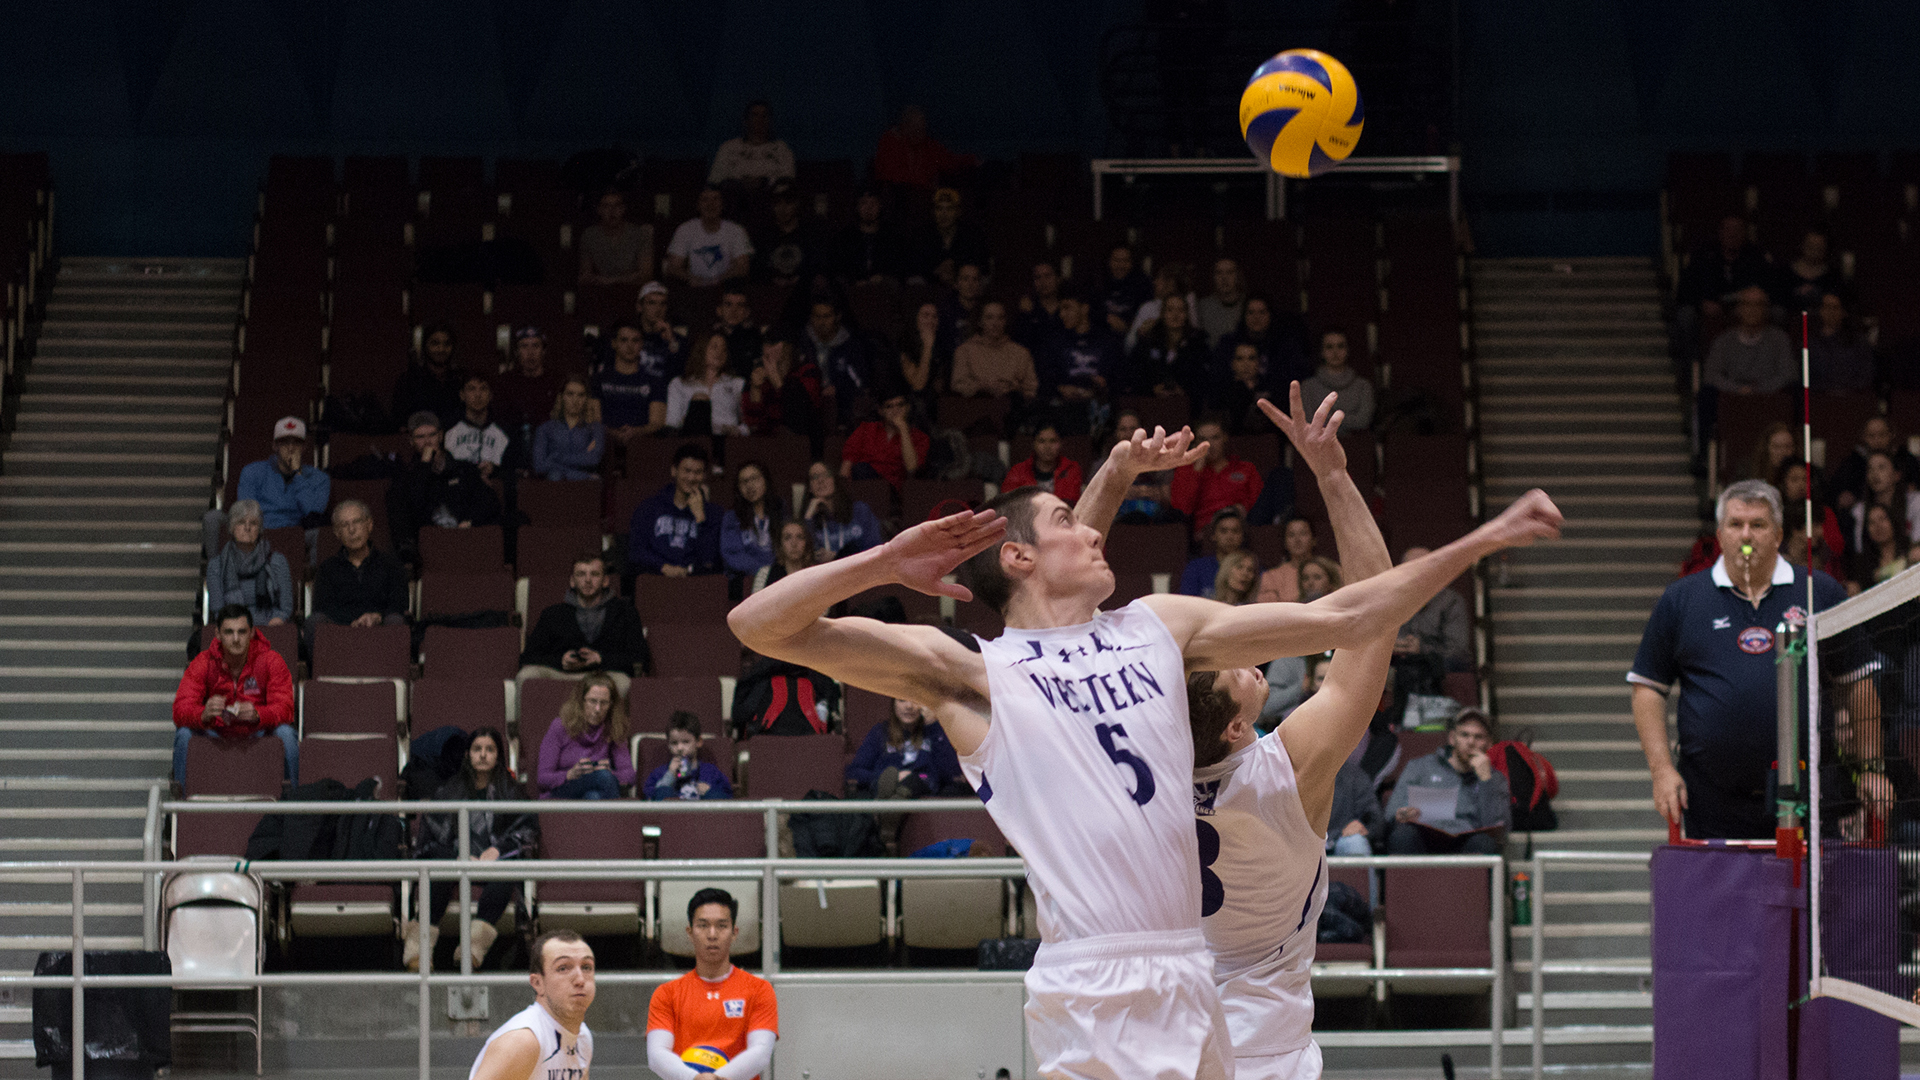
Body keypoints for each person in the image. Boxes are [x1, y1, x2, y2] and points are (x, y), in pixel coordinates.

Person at [726, 386, 1562, 1080]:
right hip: (1100, 975)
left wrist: (1483, 538)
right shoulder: (978, 674)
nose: (1094, 529)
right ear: (1018, 558)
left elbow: (1347, 617)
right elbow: (757, 625)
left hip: (1189, 970)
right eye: (1067, 520)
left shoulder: (1155, 626)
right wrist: (880, 563)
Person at [1180, 412, 1399, 1077]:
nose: (1251, 660)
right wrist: (1332, 475)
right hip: (1265, 1048)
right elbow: (1377, 611)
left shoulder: (1137, 780)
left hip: (1169, 1042)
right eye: (1236, 667)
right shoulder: (1289, 767)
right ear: (1234, 727)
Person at [1629, 479, 1865, 839]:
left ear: (1778, 535)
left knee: (1805, 879)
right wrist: (1661, 771)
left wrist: (1872, 767)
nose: (1746, 535)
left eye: (1758, 525)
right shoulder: (1681, 599)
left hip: (1810, 793)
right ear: (1720, 535)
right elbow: (1648, 687)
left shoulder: (1820, 592)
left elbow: (1857, 679)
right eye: (1736, 524)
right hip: (1710, 799)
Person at [406, 728, 538, 972]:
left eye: (490, 750)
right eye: (477, 749)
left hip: (493, 863)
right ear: (468, 754)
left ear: (498, 756)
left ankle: (472, 949)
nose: (483, 755)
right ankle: (418, 950)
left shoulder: (512, 792)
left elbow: (527, 830)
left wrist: (498, 850)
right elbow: (430, 838)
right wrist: (459, 855)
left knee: (508, 869)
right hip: (456, 859)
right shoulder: (449, 790)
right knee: (439, 865)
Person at [645, 889, 778, 1080]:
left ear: (734, 932)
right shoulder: (666, 993)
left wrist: (716, 1078)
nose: (712, 934)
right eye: (703, 925)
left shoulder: (759, 989)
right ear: (690, 933)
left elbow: (761, 1052)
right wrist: (694, 1078)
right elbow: (656, 1055)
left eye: (722, 926)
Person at [172, 604, 297, 788]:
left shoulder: (271, 661)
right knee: (184, 734)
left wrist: (258, 714)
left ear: (252, 633)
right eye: (229, 632)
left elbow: (285, 707)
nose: (236, 639)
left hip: (257, 733)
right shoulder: (203, 662)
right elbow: (180, 709)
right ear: (218, 634)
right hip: (215, 732)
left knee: (286, 734)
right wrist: (203, 714)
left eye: (242, 632)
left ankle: (293, 800)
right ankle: (181, 800)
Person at [465, 930, 595, 1080]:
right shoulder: (523, 1041)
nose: (580, 980)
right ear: (538, 983)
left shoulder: (583, 1037)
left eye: (586, 967)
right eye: (563, 968)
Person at [1383, 708, 1511, 854]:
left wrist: (1486, 782)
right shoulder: (1420, 767)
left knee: (1485, 842)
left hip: (1467, 843)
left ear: (1489, 743)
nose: (1471, 742)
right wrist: (1403, 814)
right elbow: (1391, 813)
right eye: (1464, 735)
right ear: (1452, 738)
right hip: (1424, 838)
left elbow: (1499, 828)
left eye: (1478, 737)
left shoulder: (1495, 779)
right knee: (1402, 836)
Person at [518, 554, 649, 691]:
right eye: (581, 574)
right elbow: (528, 657)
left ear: (605, 581)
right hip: (562, 674)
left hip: (605, 674)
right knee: (526, 675)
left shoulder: (625, 612)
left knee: (623, 681)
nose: (587, 580)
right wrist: (561, 660)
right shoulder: (552, 614)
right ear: (572, 581)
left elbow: (638, 657)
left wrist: (600, 659)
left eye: (594, 574)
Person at [387, 412, 503, 562]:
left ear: (441, 436)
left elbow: (490, 502)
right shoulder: (406, 478)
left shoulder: (463, 469)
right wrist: (425, 465)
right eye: (420, 437)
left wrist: (470, 521)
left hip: (467, 538)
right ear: (411, 441)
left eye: (432, 435)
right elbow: (413, 506)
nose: (427, 442)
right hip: (430, 544)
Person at [307, 500, 409, 643]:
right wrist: (353, 622)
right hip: (340, 634)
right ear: (337, 533)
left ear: (369, 525)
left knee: (396, 621)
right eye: (345, 525)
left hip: (380, 631)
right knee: (315, 621)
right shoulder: (327, 568)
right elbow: (323, 608)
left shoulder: (391, 565)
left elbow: (399, 604)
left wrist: (376, 617)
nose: (352, 530)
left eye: (357, 522)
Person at [223, 416, 328, 549]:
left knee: (320, 535)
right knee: (213, 518)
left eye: (296, 443)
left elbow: (313, 514)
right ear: (275, 446)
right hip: (260, 531)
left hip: (297, 533)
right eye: (284, 443)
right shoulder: (253, 471)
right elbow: (247, 510)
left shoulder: (319, 478)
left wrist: (298, 475)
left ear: (304, 447)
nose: (291, 448)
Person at [1674, 214, 1772, 356]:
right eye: (1728, 229)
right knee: (1685, 315)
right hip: (1707, 306)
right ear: (1720, 232)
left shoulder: (1755, 256)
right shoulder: (1703, 255)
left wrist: (1745, 304)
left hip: (1745, 306)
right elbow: (1684, 290)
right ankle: (1691, 363)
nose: (1733, 234)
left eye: (1737, 230)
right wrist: (1702, 303)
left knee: (1774, 313)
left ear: (1745, 233)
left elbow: (1766, 288)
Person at [629, 443, 723, 577]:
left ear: (704, 476)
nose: (691, 478)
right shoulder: (650, 508)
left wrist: (700, 519)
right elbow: (636, 551)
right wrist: (662, 566)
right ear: (674, 471)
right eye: (687, 471)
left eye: (698, 472)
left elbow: (709, 560)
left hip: (695, 582)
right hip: (656, 578)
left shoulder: (714, 514)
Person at [535, 674, 635, 799]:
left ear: (611, 705)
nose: (597, 709)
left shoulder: (614, 727)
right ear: (581, 701)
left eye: (604, 703)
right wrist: (570, 774)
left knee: (594, 796)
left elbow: (630, 776)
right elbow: (543, 779)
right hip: (563, 792)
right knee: (603, 777)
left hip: (597, 792)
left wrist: (612, 773)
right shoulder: (560, 726)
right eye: (592, 701)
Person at [1040, 289, 1124, 437]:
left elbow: (1116, 379)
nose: (1062, 314)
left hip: (1099, 407)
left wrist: (1098, 387)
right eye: (1061, 309)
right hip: (1065, 408)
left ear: (1084, 308)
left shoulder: (1106, 340)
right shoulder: (1055, 342)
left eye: (1067, 308)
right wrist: (1061, 388)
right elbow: (1047, 378)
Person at [846, 698, 964, 798]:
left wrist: (932, 725)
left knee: (915, 780)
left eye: (915, 701)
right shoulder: (880, 732)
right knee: (889, 779)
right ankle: (893, 804)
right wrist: (891, 777)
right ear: (893, 704)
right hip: (882, 785)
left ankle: (887, 812)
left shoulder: (935, 732)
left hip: (923, 784)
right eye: (902, 700)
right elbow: (854, 773)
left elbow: (954, 775)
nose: (909, 706)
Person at [590, 312, 673, 453]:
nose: (630, 346)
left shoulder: (655, 382)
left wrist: (635, 432)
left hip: (643, 449)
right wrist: (614, 434)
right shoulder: (598, 380)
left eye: (635, 340)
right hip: (603, 448)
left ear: (642, 344)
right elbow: (593, 419)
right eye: (624, 340)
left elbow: (657, 422)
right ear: (614, 343)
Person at [205, 500, 294, 630]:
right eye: (241, 522)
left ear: (260, 529)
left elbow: (285, 608)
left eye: (253, 523)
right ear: (232, 528)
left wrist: (275, 622)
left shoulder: (277, 561)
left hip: (270, 628)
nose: (247, 528)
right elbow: (219, 610)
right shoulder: (216, 566)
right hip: (233, 630)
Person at [1170, 418, 1263, 537]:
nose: (1209, 444)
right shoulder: (1185, 470)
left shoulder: (1245, 469)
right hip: (1206, 535)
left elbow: (1260, 508)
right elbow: (1182, 508)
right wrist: (1197, 470)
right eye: (1202, 439)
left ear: (1225, 438)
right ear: (1195, 442)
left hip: (1240, 531)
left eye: (1215, 437)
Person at [950, 300, 1040, 411]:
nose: (995, 323)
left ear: (1005, 321)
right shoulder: (965, 351)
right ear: (980, 322)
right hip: (974, 410)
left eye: (1000, 318)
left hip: (1012, 411)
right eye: (989, 318)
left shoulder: (1021, 353)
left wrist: (1012, 389)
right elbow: (958, 385)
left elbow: (1031, 389)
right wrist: (982, 386)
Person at [1702, 286, 1794, 395]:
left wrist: (1758, 390)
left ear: (1766, 309)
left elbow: (1788, 375)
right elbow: (1711, 375)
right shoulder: (1724, 341)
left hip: (1770, 399)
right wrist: (1738, 389)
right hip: (1732, 399)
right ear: (1738, 309)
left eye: (1758, 304)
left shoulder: (1780, 340)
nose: (1752, 310)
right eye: (1747, 304)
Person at [1394, 547, 1472, 671]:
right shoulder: (1393, 601)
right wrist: (1388, 648)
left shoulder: (1450, 601)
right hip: (1397, 672)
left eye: (1422, 568)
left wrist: (1422, 648)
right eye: (1410, 569)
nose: (1417, 574)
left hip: (1436, 675)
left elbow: (1458, 652)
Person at [1213, 295, 1309, 395]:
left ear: (1270, 315)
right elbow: (1219, 377)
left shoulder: (1284, 345)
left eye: (1262, 312)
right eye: (1251, 312)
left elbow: (1293, 377)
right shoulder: (1229, 344)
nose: (1256, 317)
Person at [803, 298, 874, 429]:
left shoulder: (851, 345)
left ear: (837, 316)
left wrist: (838, 388)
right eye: (817, 316)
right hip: (807, 406)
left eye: (827, 316)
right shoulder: (803, 343)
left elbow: (860, 382)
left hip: (841, 408)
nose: (822, 322)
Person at [1125, 294, 1210, 399]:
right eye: (1170, 310)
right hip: (1151, 402)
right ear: (1162, 313)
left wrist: (1185, 390)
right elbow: (1134, 374)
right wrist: (1152, 389)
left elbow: (1202, 378)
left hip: (1186, 403)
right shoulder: (1149, 341)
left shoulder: (1198, 343)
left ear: (1187, 314)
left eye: (1181, 310)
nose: (1175, 315)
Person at [873, 104, 976, 191]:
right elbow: (891, 177)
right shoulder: (889, 142)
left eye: (921, 128)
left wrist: (973, 160)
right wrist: (924, 185)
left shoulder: (930, 146)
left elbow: (950, 160)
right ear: (904, 126)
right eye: (914, 127)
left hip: (923, 198)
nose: (917, 132)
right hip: (896, 197)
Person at [741, 333, 824, 442]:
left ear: (788, 348)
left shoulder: (807, 372)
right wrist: (755, 389)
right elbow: (754, 425)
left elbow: (802, 418)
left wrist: (778, 383)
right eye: (766, 344)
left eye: (774, 344)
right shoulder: (762, 378)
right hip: (767, 443)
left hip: (802, 442)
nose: (768, 350)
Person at [839, 391, 929, 491]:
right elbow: (846, 465)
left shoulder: (920, 437)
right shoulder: (865, 429)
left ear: (908, 408)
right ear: (881, 411)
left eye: (900, 405)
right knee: (861, 468)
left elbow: (912, 469)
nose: (895, 410)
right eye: (889, 406)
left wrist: (903, 428)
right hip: (862, 487)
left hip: (895, 491)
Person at [664, 187, 753, 287]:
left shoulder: (736, 231)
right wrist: (691, 279)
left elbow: (742, 267)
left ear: (722, 204)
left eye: (715, 199)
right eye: (705, 200)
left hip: (726, 287)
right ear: (698, 205)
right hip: (694, 288)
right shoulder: (685, 229)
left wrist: (718, 280)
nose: (711, 204)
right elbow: (673, 266)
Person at [1828, 416, 1920, 513]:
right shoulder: (1852, 463)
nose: (1877, 440)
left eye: (1882, 435)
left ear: (1891, 435)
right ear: (1863, 437)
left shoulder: (1906, 459)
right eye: (1871, 436)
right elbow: (1833, 493)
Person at [667, 334, 749, 436]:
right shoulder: (680, 384)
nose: (719, 352)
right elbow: (672, 423)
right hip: (692, 437)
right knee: (699, 398)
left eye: (724, 349)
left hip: (727, 438)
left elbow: (748, 423)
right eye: (714, 347)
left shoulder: (737, 383)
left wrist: (737, 430)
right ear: (702, 350)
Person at [907, 187, 989, 288]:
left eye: (949, 209)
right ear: (933, 211)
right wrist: (936, 270)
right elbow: (914, 264)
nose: (944, 214)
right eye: (939, 208)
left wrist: (955, 267)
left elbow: (982, 263)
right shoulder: (923, 234)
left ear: (958, 211)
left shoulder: (970, 234)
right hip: (931, 283)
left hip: (963, 283)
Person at [392, 324, 468, 432]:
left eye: (447, 344)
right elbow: (400, 422)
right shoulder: (409, 380)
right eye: (435, 343)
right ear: (425, 346)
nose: (441, 349)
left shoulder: (461, 380)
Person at [802, 462, 884, 559]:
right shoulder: (811, 519)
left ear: (835, 480)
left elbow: (874, 549)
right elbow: (804, 555)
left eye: (826, 475)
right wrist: (808, 519)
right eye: (814, 477)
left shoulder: (860, 511)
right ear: (810, 488)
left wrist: (836, 557)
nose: (820, 480)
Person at [495, 327, 565, 440]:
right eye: (524, 346)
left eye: (535, 346)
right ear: (517, 352)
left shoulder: (556, 382)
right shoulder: (506, 383)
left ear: (543, 351)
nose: (530, 352)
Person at [531, 376, 606, 481]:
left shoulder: (595, 428)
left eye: (581, 395)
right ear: (562, 397)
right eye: (570, 394)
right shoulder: (545, 429)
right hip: (560, 484)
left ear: (586, 399)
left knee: (556, 474)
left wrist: (556, 457)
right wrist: (580, 475)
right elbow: (539, 466)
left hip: (585, 487)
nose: (575, 400)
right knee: (555, 476)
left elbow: (593, 459)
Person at [646, 712, 734, 800]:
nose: (680, 748)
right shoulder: (660, 773)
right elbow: (649, 798)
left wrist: (709, 791)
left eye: (685, 742)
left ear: (698, 742)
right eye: (674, 743)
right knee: (662, 791)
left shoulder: (711, 772)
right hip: (672, 809)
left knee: (715, 795)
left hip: (702, 809)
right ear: (668, 745)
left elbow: (727, 798)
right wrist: (670, 775)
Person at [1299, 328, 1375, 430]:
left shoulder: (1363, 386)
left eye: (1340, 346)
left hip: (1354, 439)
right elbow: (1309, 421)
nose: (1335, 352)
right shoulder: (1308, 387)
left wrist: (1327, 418)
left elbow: (1363, 421)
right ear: (1321, 351)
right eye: (1329, 347)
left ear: (1348, 350)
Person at [709, 100, 795, 188]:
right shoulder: (728, 148)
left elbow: (787, 180)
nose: (760, 119)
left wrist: (763, 184)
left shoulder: (781, 149)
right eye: (755, 115)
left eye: (764, 116)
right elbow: (715, 180)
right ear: (746, 120)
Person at [446, 374, 516, 480]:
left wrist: (494, 469)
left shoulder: (504, 430)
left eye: (483, 389)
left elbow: (511, 468)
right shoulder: (449, 429)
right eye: (471, 389)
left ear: (490, 395)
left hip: (494, 485)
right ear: (462, 395)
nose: (478, 395)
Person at [1846, 451, 1920, 553]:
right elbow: (1860, 549)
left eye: (1881, 467)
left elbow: (1917, 543)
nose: (1875, 474)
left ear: (1896, 475)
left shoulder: (1915, 502)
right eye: (1870, 469)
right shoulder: (1860, 510)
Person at [721, 462, 785, 578]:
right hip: (746, 579)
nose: (749, 485)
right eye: (744, 482)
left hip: (779, 578)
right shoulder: (732, 518)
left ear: (766, 480)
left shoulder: (781, 511)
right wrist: (764, 571)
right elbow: (733, 555)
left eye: (754, 479)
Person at [827, 188, 905, 284]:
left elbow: (898, 267)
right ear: (857, 207)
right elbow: (838, 268)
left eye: (873, 203)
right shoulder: (846, 237)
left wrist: (883, 277)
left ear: (880, 206)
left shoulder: (891, 237)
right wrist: (854, 281)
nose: (869, 208)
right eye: (864, 203)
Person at [578, 189, 654, 286]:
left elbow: (646, 274)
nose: (612, 211)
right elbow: (585, 274)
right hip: (601, 290)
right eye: (606, 206)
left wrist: (612, 281)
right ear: (599, 210)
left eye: (617, 206)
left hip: (632, 289)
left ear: (623, 209)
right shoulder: (589, 235)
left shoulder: (640, 234)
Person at [753, 183, 821, 289]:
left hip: (803, 291)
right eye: (777, 203)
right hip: (772, 292)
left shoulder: (810, 233)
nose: (782, 208)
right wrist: (772, 279)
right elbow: (757, 269)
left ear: (797, 204)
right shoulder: (764, 235)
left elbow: (817, 266)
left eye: (788, 203)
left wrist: (802, 279)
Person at [896, 301, 952, 424]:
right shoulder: (904, 346)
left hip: (936, 407)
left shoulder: (943, 347)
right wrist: (927, 346)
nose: (930, 320)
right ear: (915, 319)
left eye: (934, 317)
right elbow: (918, 386)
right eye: (925, 315)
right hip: (908, 408)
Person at [1807, 292, 1875, 393]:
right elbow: (1807, 378)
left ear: (1843, 312)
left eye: (1835, 308)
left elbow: (1866, 375)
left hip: (1852, 397)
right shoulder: (1811, 344)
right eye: (1827, 307)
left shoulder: (1858, 343)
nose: (1831, 312)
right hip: (1820, 397)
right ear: (1820, 310)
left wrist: (1846, 391)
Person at [1003, 424, 1085, 505]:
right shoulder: (1018, 471)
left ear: (1060, 443)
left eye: (1053, 441)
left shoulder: (1071, 470)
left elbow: (1072, 502)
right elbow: (1008, 503)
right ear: (1034, 444)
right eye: (1041, 441)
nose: (1047, 447)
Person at [1179, 508, 1249, 597]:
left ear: (1242, 536)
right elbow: (1187, 601)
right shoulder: (1196, 568)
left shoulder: (1251, 569)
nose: (1230, 537)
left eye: (1235, 531)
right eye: (1223, 531)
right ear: (1214, 535)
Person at [1126, 262, 1196, 350]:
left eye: (1159, 279)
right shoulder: (1148, 308)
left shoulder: (1188, 306)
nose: (1155, 282)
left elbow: (1195, 339)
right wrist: (1141, 334)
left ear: (1171, 283)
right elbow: (1129, 345)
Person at [1211, 342, 1276, 437]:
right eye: (1240, 358)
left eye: (1251, 358)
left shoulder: (1271, 389)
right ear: (1232, 363)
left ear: (1259, 362)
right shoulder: (1221, 392)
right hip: (1232, 440)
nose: (1246, 364)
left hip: (1267, 440)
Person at [1778, 228, 1843, 314]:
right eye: (1811, 246)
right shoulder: (1786, 273)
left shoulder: (1832, 277)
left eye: (1818, 247)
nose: (1814, 251)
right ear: (1803, 245)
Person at [1256, 515, 1319, 603]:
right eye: (1291, 535)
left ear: (1314, 540)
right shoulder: (1271, 577)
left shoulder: (1331, 570)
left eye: (1303, 533)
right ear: (1285, 542)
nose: (1297, 540)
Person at [1099, 243, 1153, 336]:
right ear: (1109, 262)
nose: (1121, 265)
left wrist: (1127, 326)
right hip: (1101, 336)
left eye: (1125, 261)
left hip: (1132, 336)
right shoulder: (1100, 282)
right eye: (1117, 260)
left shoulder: (1142, 284)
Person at [1851, 502, 1907, 592]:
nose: (1878, 526)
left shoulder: (1910, 550)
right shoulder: (1863, 565)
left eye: (1882, 519)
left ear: (1892, 521)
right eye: (1872, 523)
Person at [752, 520, 818, 593]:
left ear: (806, 543)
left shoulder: (816, 576)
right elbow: (756, 600)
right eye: (787, 538)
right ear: (780, 545)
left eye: (799, 537)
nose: (794, 544)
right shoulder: (765, 574)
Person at [1194, 258, 1248, 347]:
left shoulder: (1248, 305)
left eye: (1230, 272)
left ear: (1238, 276)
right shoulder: (1203, 307)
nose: (1224, 278)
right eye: (1219, 273)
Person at [711, 286, 764, 377]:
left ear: (747, 312)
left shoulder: (755, 338)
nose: (734, 310)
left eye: (740, 305)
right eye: (728, 304)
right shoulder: (709, 337)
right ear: (719, 310)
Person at [1014, 258, 1065, 348]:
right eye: (1038, 277)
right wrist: (1026, 315)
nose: (1043, 282)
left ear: (1058, 279)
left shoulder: (1067, 309)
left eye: (1047, 276)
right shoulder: (1028, 311)